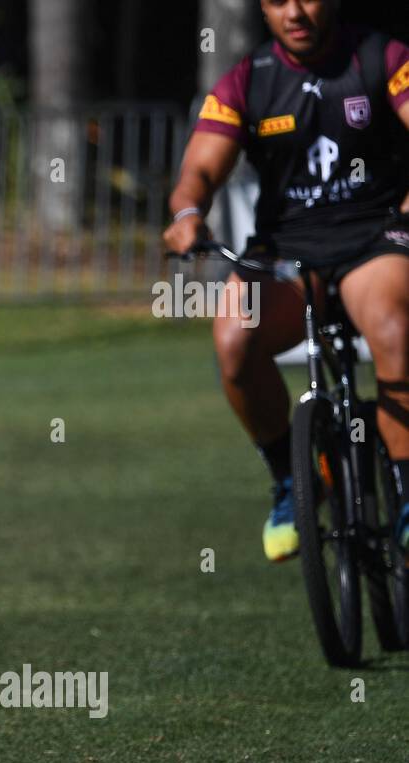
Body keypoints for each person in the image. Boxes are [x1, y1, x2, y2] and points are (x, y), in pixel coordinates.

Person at [165, 0, 409, 563]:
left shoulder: (382, 57)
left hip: (375, 238)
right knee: (233, 337)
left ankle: (405, 494)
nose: (294, 12)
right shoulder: (246, 81)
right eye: (276, 1)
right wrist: (186, 215)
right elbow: (198, 172)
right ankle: (291, 483)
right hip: (287, 252)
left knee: (395, 330)